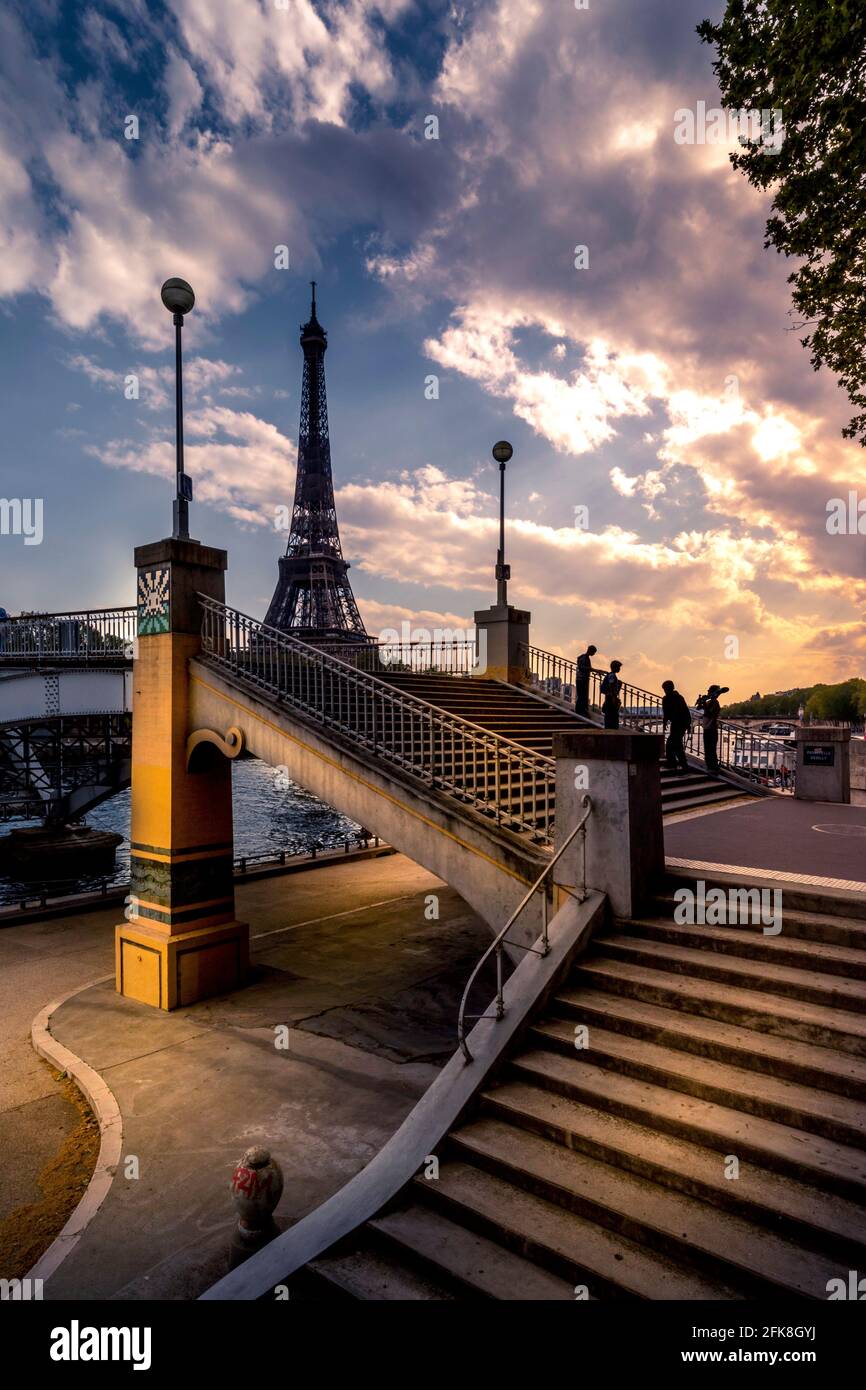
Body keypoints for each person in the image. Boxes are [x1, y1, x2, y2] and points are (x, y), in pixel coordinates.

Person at [661, 679, 691, 772]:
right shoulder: (679, 697)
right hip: (682, 723)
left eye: (665, 689)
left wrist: (665, 722)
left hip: (676, 723)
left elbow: (666, 712)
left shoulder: (666, 699)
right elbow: (686, 711)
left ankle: (675, 764)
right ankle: (680, 764)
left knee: (672, 744)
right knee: (676, 744)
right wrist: (688, 724)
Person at [699, 683, 726, 776]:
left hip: (710, 728)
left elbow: (709, 714)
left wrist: (703, 704)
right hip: (708, 728)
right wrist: (701, 702)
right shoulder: (710, 701)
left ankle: (712, 768)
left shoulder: (715, 702)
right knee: (710, 749)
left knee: (710, 749)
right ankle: (712, 767)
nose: (707, 692)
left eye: (709, 691)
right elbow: (700, 708)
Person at [575, 643, 597, 717]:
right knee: (582, 695)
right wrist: (594, 670)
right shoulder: (585, 658)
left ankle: (581, 710)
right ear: (591, 651)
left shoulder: (583, 657)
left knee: (582, 695)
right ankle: (580, 711)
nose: (594, 654)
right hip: (582, 679)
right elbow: (583, 667)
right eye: (594, 652)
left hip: (581, 679)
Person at [600, 660, 623, 729]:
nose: (619, 669)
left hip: (609, 697)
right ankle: (611, 728)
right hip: (611, 697)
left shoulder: (610, 675)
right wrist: (614, 698)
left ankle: (609, 727)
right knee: (612, 715)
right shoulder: (612, 676)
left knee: (609, 714)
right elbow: (612, 686)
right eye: (619, 667)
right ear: (615, 667)